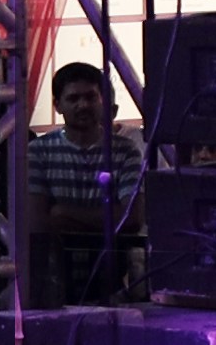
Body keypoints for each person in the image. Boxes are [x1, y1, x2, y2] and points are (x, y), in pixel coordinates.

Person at [19, 60, 149, 307]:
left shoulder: (125, 151)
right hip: (52, 283)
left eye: (91, 97)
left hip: (111, 287)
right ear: (58, 105)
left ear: (103, 101)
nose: (83, 105)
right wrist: (105, 220)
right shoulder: (38, 151)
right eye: (74, 98)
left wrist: (63, 212)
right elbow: (38, 223)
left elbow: (132, 219)